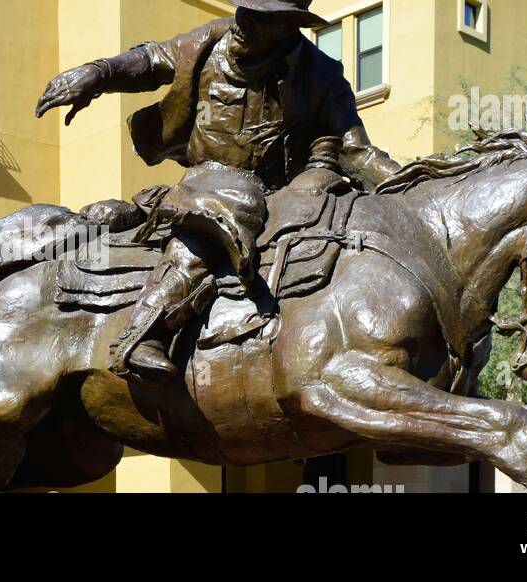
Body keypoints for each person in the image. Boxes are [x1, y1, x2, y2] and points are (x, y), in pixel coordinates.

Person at [36, 0, 401, 380]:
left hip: (289, 188)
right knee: (232, 199)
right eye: (244, 9)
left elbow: (356, 149)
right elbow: (150, 60)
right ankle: (146, 330)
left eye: (258, 16)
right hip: (214, 180)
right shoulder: (209, 42)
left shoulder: (322, 73)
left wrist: (412, 184)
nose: (242, 21)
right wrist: (96, 73)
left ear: (287, 26)